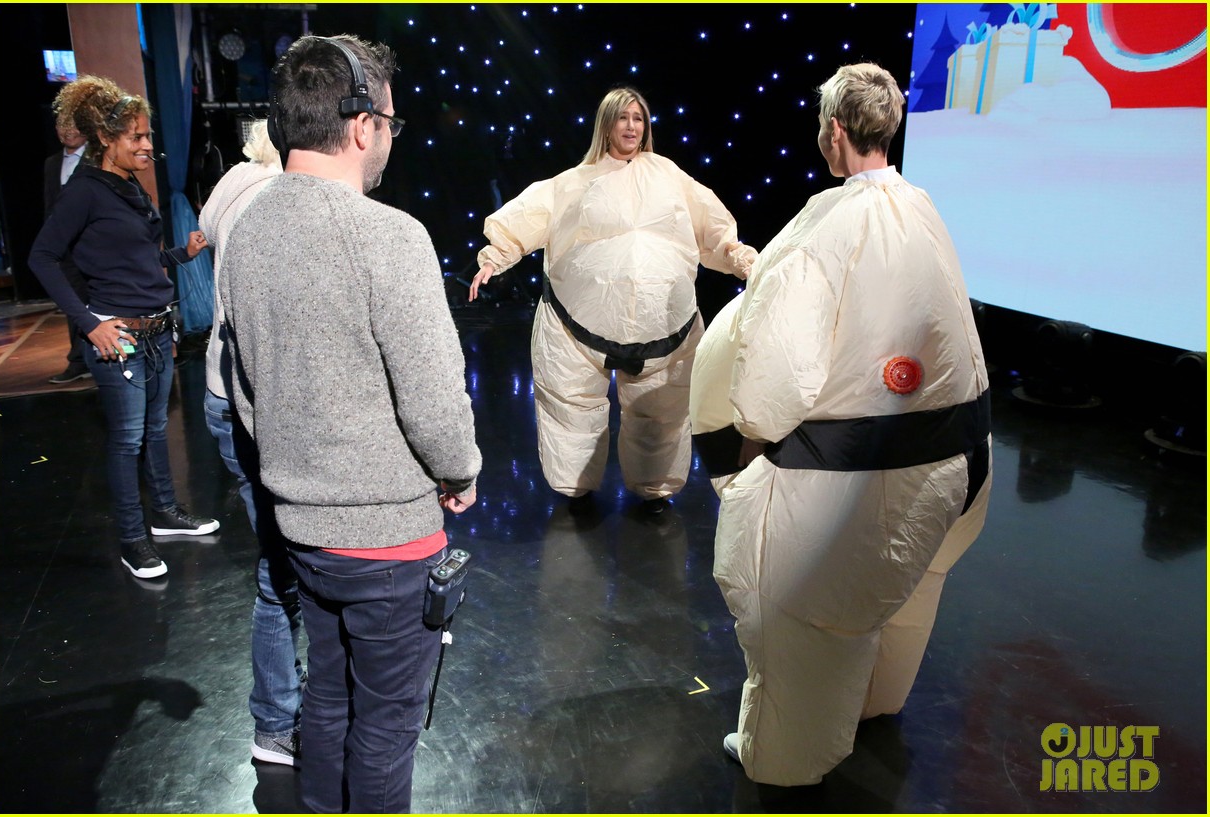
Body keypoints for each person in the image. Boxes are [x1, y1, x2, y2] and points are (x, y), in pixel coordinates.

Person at [689, 63, 992, 786]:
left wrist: (742, 454)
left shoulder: (820, 230)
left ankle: (783, 761)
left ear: (832, 132)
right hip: (959, 463)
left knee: (801, 624)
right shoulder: (923, 206)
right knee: (907, 589)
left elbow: (769, 392)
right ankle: (878, 700)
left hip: (852, 486)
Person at [218, 35, 482, 813]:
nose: (391, 137)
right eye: (392, 120)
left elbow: (244, 393)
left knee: (327, 702)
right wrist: (459, 470)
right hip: (388, 543)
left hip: (301, 531)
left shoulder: (246, 231)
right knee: (386, 726)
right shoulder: (390, 236)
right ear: (363, 123)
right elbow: (436, 406)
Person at [470, 87, 756, 514]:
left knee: (661, 414)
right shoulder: (574, 182)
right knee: (573, 408)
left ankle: (655, 488)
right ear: (606, 124)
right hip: (578, 327)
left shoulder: (669, 176)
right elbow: (530, 217)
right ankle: (575, 488)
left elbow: (713, 228)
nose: (631, 127)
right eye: (622, 118)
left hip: (665, 330)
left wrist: (743, 260)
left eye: (638, 118)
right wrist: (495, 257)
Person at [29, 75, 220, 580]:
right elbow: (42, 257)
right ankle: (133, 540)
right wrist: (89, 323)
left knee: (155, 431)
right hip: (120, 339)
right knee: (127, 439)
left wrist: (182, 254)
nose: (146, 145)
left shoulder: (128, 185)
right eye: (136, 136)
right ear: (107, 140)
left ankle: (164, 516)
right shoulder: (84, 191)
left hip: (156, 331)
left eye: (147, 135)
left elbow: (135, 259)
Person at [199, 120, 301, 765]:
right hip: (258, 406)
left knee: (281, 565)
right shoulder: (278, 200)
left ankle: (283, 713)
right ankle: (275, 722)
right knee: (282, 572)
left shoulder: (232, 184)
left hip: (219, 394)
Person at [44, 119, 92, 384]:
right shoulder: (52, 164)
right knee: (72, 303)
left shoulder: (97, 159)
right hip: (65, 249)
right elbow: (49, 207)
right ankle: (78, 360)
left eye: (72, 124)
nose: (67, 130)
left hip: (92, 245)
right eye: (61, 124)